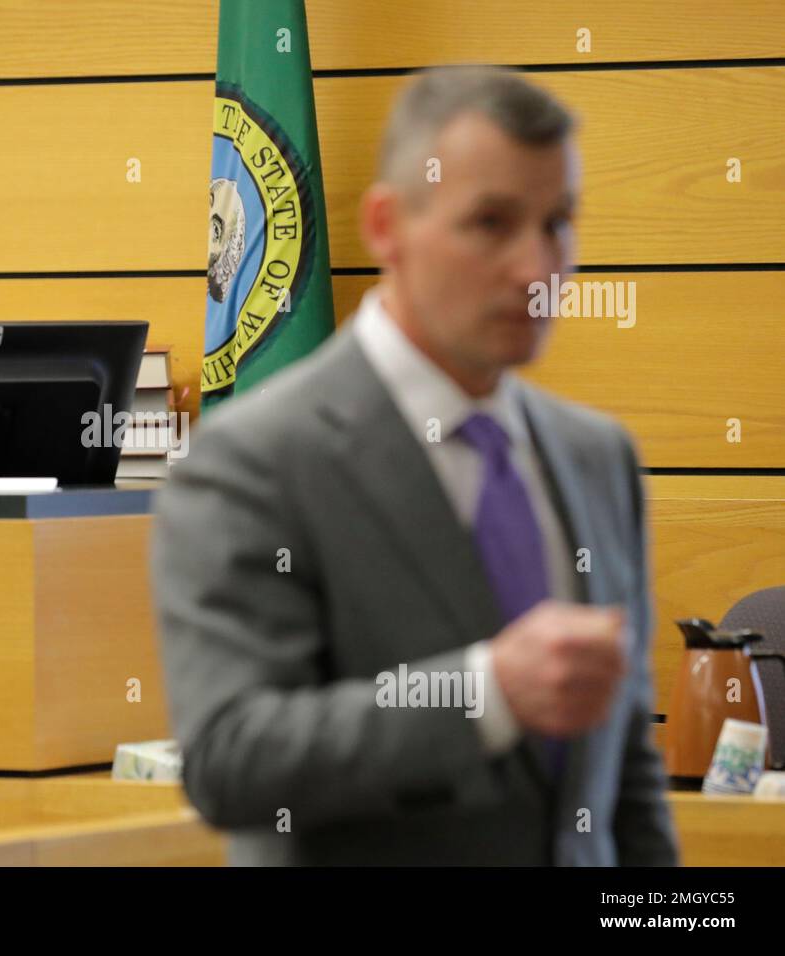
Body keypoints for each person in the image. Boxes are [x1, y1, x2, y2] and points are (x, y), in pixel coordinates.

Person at [151, 66, 679, 865]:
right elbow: (232, 760)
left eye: (558, 223)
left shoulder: (598, 456)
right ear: (387, 225)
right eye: (492, 223)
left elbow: (626, 776)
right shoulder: (252, 459)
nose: (537, 270)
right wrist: (484, 692)